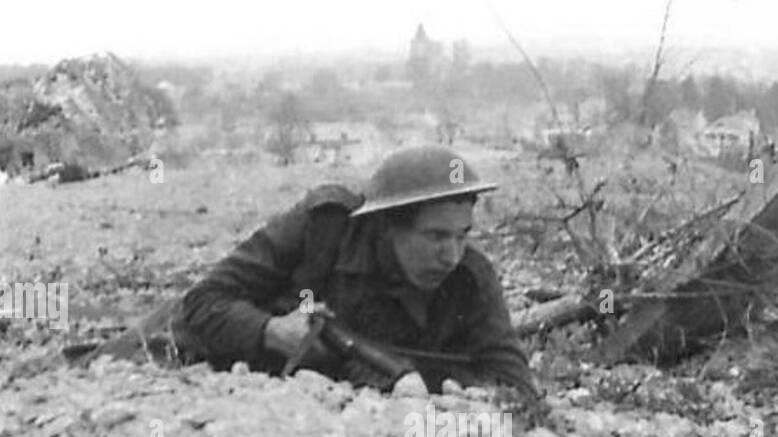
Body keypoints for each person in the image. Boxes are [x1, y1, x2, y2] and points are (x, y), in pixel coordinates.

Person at [86, 145, 538, 398]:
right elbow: (204, 301)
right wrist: (270, 331)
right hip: (180, 349)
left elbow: (514, 380)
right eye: (436, 238)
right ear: (386, 228)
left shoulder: (472, 278)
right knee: (95, 371)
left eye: (462, 235)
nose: (452, 255)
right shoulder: (325, 227)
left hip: (308, 386)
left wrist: (464, 394)